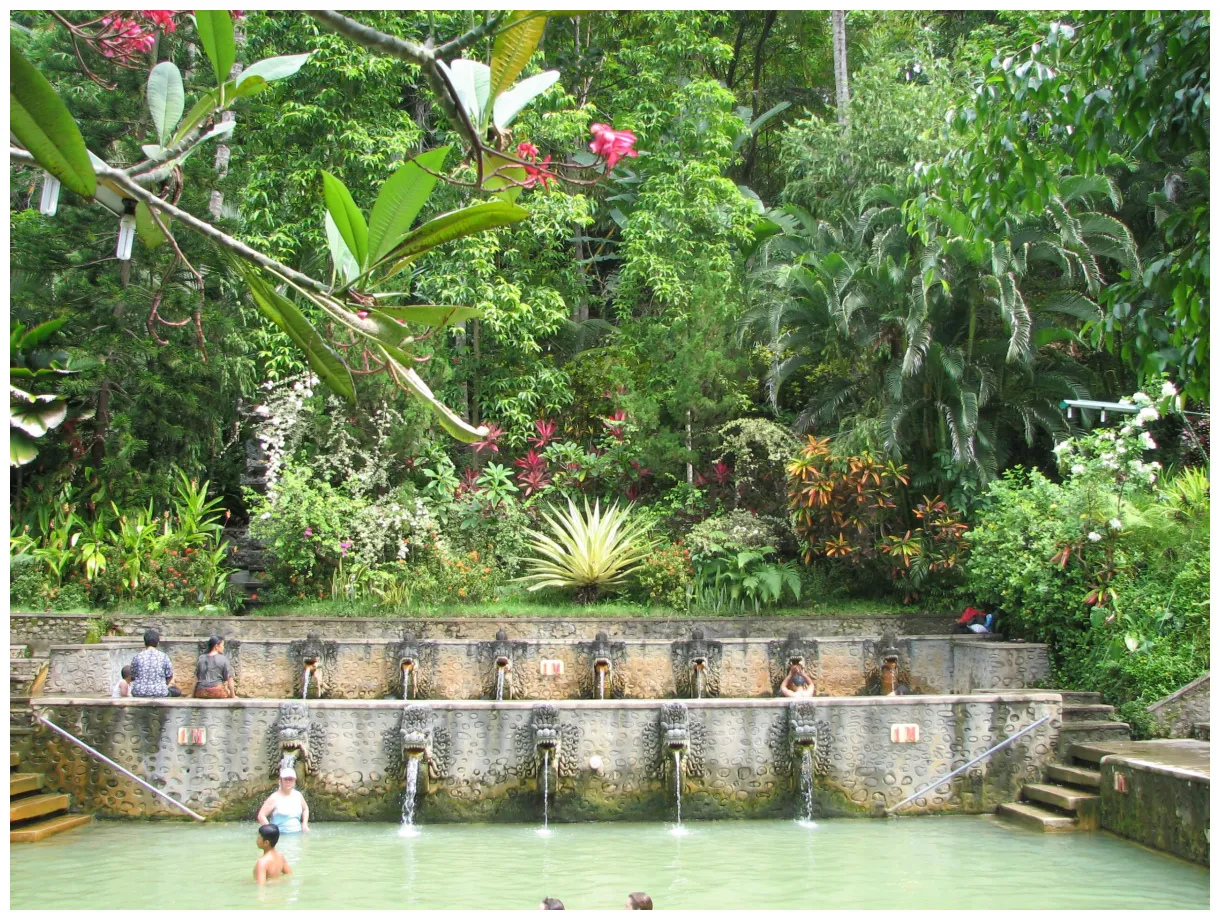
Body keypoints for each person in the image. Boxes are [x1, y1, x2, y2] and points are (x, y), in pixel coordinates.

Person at [257, 767, 310, 834]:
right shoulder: (274, 797)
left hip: (298, 833)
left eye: (290, 779)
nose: (288, 781)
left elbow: (305, 809)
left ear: (294, 780)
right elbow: (261, 815)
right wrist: (271, 831)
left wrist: (305, 824)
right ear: (281, 780)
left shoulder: (298, 795)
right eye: (285, 779)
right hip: (280, 835)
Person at [129, 629, 174, 698]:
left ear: (145, 642)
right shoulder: (164, 657)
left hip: (139, 692)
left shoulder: (137, 657)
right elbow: (169, 675)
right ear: (158, 643)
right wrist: (162, 685)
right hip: (160, 691)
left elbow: (132, 675)